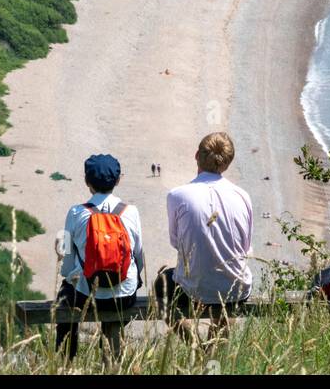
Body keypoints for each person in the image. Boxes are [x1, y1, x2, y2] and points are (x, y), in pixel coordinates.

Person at [55, 153, 143, 358]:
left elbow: (68, 266)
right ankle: (111, 357)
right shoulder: (131, 211)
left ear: (87, 181)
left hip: (86, 296)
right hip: (123, 297)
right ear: (118, 180)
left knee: (64, 300)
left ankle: (65, 360)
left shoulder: (76, 212)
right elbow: (138, 257)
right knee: (117, 305)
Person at [158, 132, 253, 323]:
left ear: (196, 156)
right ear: (227, 163)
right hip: (237, 288)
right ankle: (214, 347)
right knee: (228, 292)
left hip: (194, 289)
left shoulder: (177, 195)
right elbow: (244, 247)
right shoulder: (243, 196)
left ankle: (195, 345)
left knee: (161, 284)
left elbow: (177, 242)